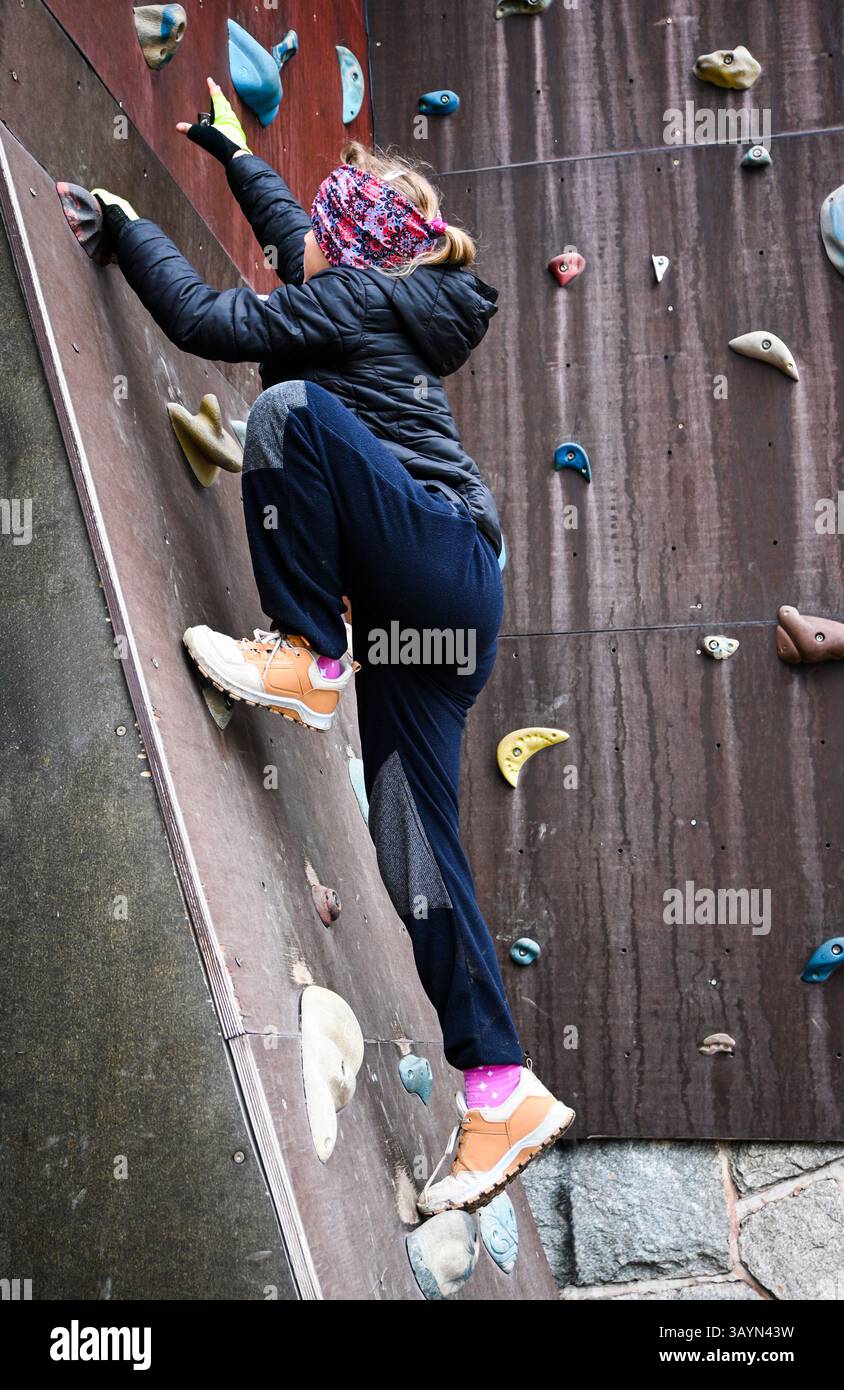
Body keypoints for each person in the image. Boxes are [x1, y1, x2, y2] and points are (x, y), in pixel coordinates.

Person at [91, 79, 575, 1215]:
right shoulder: (383, 296)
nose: (305, 240)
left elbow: (212, 323)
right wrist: (229, 152)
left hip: (434, 562)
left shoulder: (342, 305)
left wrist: (126, 225)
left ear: (354, 247)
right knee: (409, 840)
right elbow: (301, 236)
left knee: (288, 415)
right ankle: (499, 1083)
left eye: (322, 225)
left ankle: (308, 659)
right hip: (448, 612)